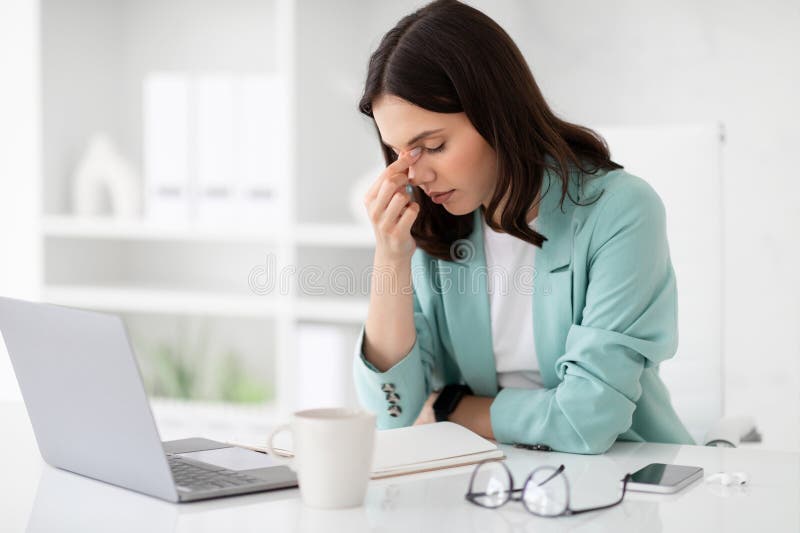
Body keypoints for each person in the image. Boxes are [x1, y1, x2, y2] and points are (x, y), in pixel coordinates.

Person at [352, 0, 695, 454]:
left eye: (432, 146)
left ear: (494, 112)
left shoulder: (621, 211)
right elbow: (392, 416)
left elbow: (585, 422)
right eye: (399, 153)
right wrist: (390, 260)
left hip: (621, 478)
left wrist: (454, 408)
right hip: (485, 483)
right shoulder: (435, 226)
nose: (415, 175)